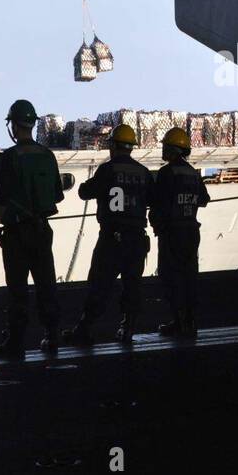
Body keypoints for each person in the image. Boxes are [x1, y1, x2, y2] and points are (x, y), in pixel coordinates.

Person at [0, 99, 65, 360]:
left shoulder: (8, 158)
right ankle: (52, 336)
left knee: (18, 290)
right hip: (43, 230)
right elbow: (56, 196)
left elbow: (0, 196)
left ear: (13, 124)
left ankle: (16, 342)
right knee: (46, 285)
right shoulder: (47, 155)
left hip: (17, 233)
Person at [62, 124, 152, 345]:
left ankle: (84, 329)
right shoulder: (143, 172)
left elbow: (84, 192)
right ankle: (128, 328)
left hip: (112, 238)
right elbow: (153, 199)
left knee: (100, 285)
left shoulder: (107, 170)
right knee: (132, 285)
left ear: (112, 145)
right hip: (137, 238)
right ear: (131, 147)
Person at [150, 126, 210, 339]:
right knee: (189, 277)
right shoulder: (193, 174)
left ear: (174, 149)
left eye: (166, 146)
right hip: (191, 232)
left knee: (170, 277)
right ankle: (191, 322)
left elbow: (156, 200)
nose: (163, 150)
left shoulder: (167, 173)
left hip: (171, 233)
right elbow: (204, 199)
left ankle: (178, 322)